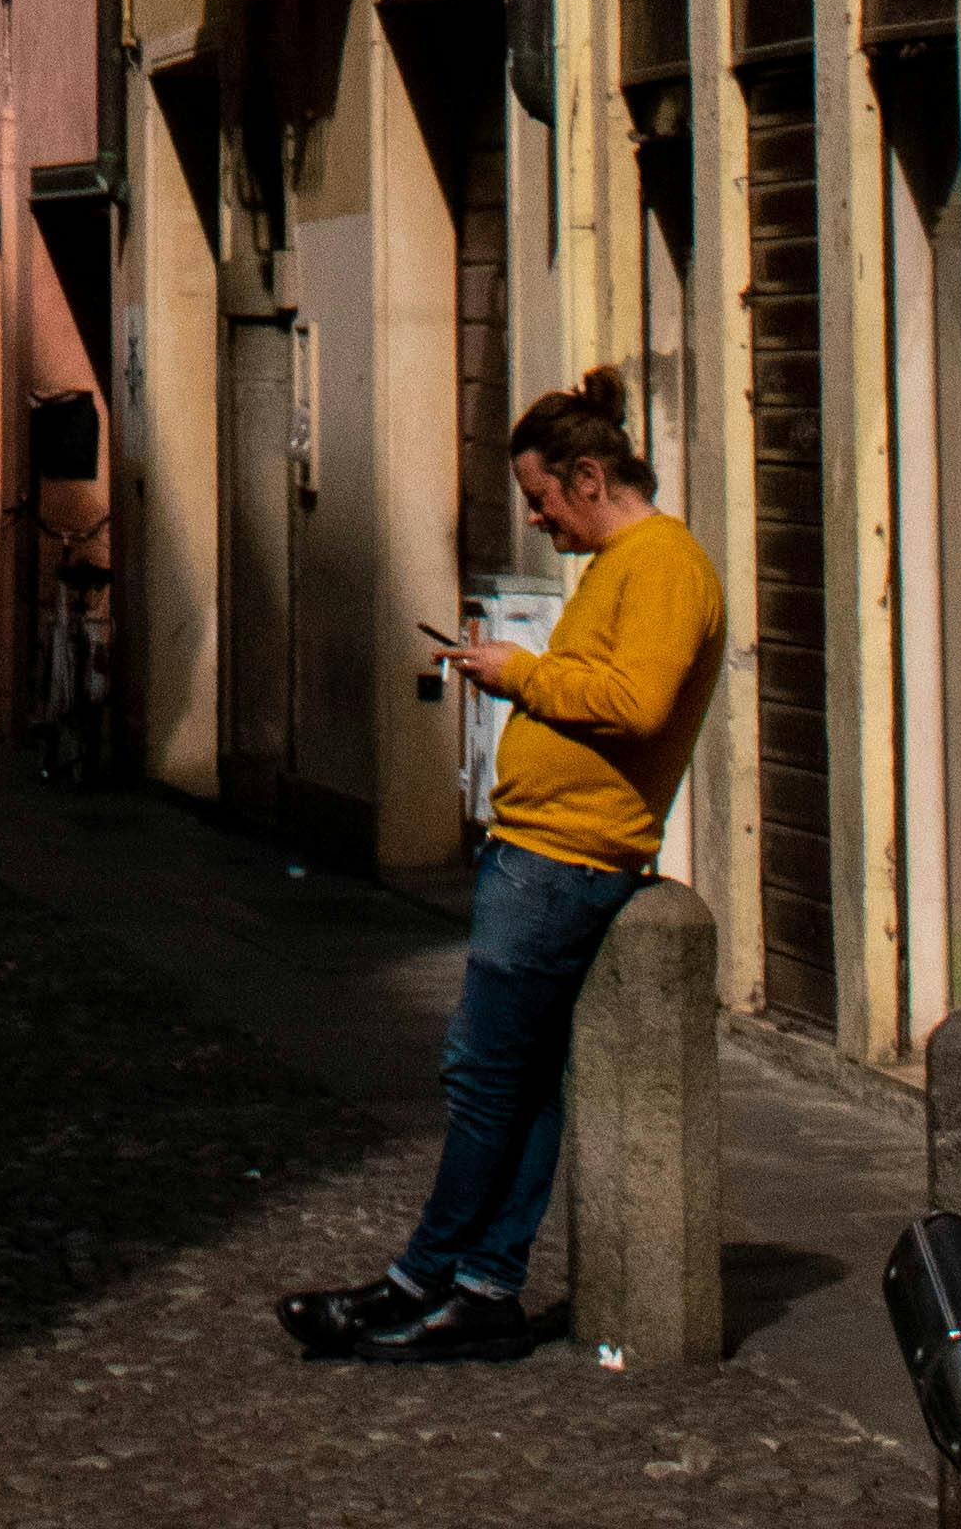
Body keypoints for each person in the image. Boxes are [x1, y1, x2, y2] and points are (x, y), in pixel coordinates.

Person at [282, 369, 727, 1369]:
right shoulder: (623, 564)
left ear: (586, 476)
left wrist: (516, 675)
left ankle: (426, 1276)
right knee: (517, 1083)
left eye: (539, 496)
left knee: (485, 1076)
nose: (533, 517)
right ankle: (477, 1287)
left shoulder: (661, 564)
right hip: (540, 848)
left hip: (565, 858)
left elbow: (638, 701)